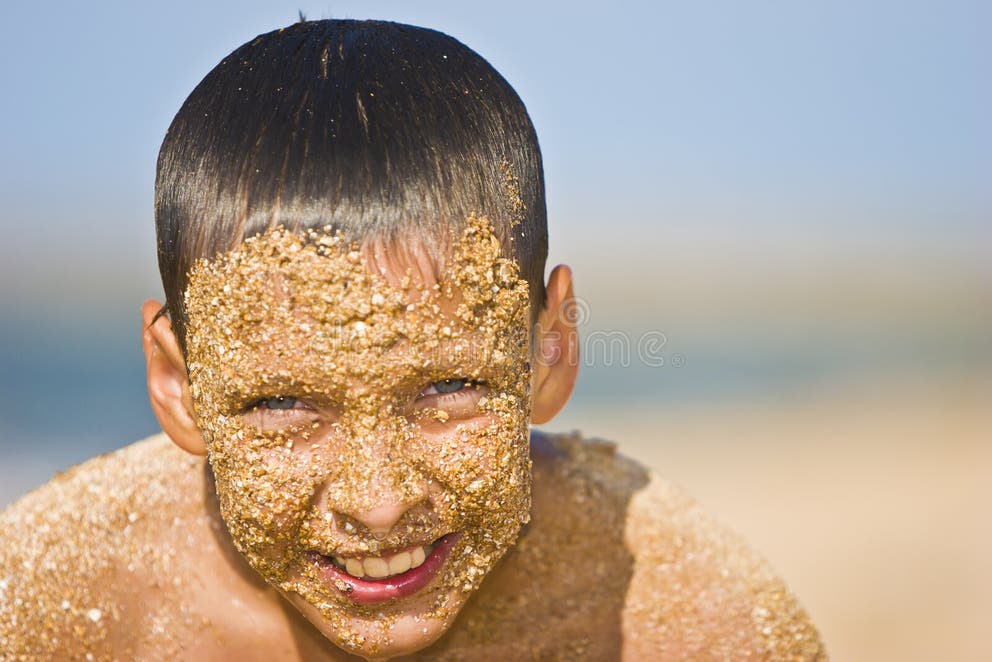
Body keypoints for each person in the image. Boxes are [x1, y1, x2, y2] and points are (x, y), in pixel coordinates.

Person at [0, 19, 826, 661]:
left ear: (547, 350)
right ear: (180, 385)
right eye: (285, 404)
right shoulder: (51, 609)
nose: (379, 501)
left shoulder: (685, 623)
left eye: (448, 390)